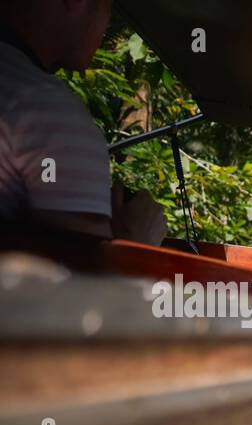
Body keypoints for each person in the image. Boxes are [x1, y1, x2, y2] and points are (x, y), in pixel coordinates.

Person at [0, 0, 165, 244]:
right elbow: (82, 281)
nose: (107, 24)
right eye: (111, 6)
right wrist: (137, 244)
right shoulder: (47, 109)